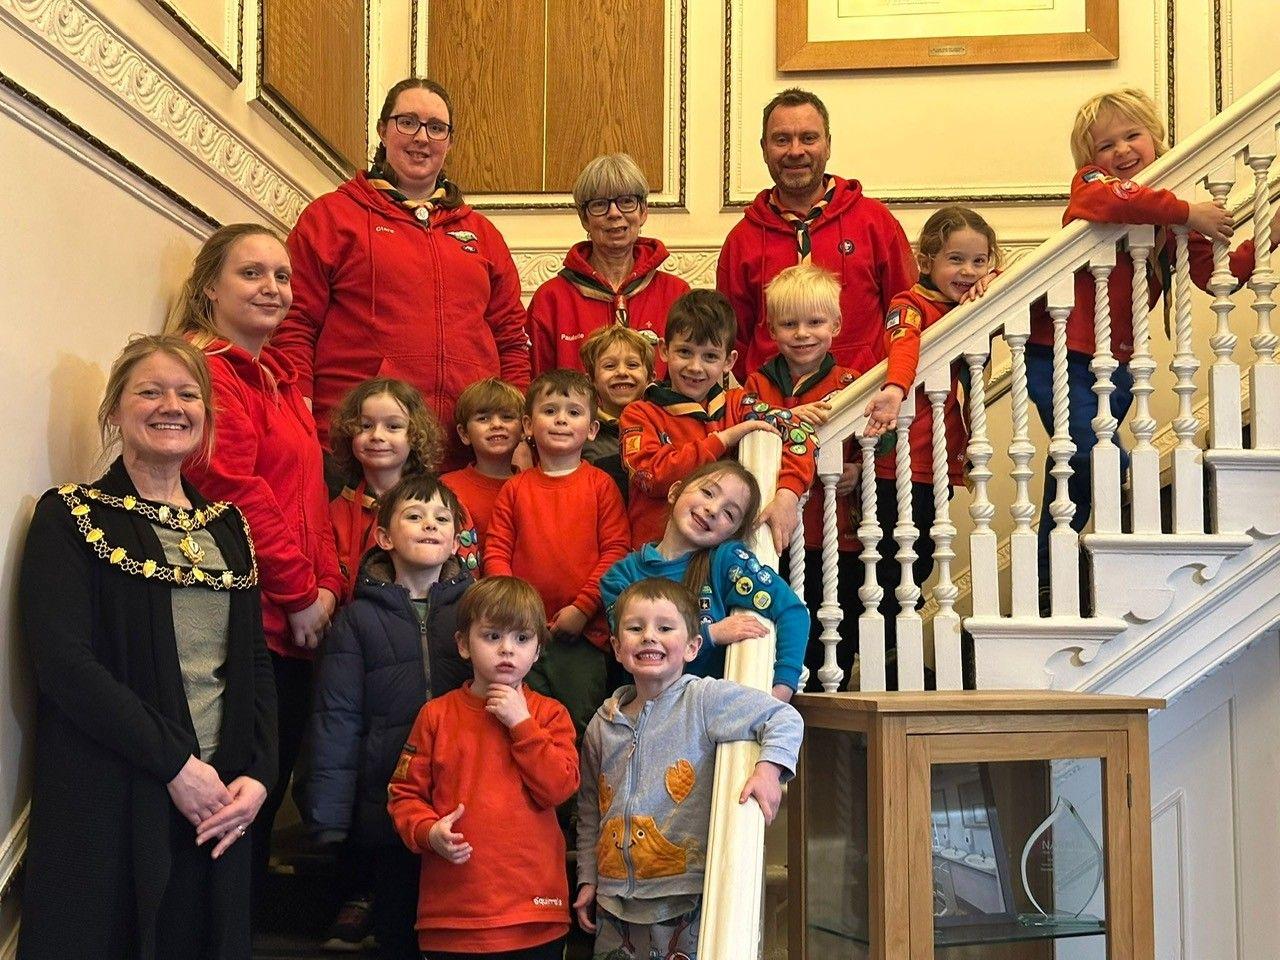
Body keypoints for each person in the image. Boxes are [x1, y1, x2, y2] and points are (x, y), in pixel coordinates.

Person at [19, 335, 276, 959]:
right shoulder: (70, 517)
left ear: (206, 414)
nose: (172, 406)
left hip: (219, 803)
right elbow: (64, 666)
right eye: (150, 391)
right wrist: (175, 766)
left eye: (188, 394)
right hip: (114, 796)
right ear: (114, 409)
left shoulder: (228, 526)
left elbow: (253, 661)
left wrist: (260, 776)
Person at [1026, 88, 1267, 608]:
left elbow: (1217, 275)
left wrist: (1265, 235)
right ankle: (1051, 571)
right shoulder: (1094, 184)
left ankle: (1057, 567)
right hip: (1058, 351)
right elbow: (1108, 201)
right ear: (1091, 159)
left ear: (1156, 138)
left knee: (1081, 464)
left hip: (1115, 363)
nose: (1121, 150)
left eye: (1132, 135)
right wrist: (1189, 211)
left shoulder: (1172, 215)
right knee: (1090, 454)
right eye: (1105, 144)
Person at [164, 223, 344, 896]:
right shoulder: (203, 372)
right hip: (243, 627)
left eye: (282, 276)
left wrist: (328, 586)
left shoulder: (279, 381)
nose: (273, 288)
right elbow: (233, 491)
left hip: (293, 624)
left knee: (258, 819)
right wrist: (299, 593)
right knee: (228, 825)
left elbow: (311, 497)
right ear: (209, 287)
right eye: (252, 273)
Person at [273, 77, 531, 468]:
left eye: (436, 128)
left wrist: (519, 432)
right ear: (382, 130)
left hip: (467, 457)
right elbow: (295, 322)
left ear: (449, 141)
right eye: (407, 122)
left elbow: (511, 340)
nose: (421, 138)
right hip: (360, 451)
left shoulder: (483, 234)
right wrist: (298, 413)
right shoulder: (331, 217)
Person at [573, 578, 802, 959]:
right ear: (617, 648)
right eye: (635, 628)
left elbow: (783, 717)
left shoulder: (703, 700)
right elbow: (588, 809)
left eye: (665, 628)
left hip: (682, 898)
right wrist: (588, 877)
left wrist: (768, 770)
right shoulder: (603, 722)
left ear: (693, 646)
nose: (649, 636)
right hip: (614, 902)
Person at [302, 476, 473, 959]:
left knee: (457, 930)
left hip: (462, 798)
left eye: (441, 518)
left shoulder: (476, 610)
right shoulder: (357, 619)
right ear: (384, 537)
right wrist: (330, 814)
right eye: (414, 516)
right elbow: (337, 717)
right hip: (388, 799)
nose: (429, 525)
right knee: (398, 926)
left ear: (456, 540)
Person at [387, 577, 579, 959]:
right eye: (492, 636)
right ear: (463, 644)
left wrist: (522, 724)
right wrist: (428, 832)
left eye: (522, 638)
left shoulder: (550, 714)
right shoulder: (436, 715)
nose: (507, 649)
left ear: (538, 650)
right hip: (452, 918)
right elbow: (404, 795)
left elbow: (559, 788)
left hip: (534, 916)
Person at [717, 87, 917, 381]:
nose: (795, 151)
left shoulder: (875, 221)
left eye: (808, 138)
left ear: (828, 145)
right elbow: (735, 338)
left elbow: (908, 309)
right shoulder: (741, 240)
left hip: (864, 396)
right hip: (777, 403)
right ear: (764, 149)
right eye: (782, 140)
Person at [483, 370, 631, 735]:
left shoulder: (601, 485)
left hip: (581, 637)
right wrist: (514, 610)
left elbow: (616, 551)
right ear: (528, 425)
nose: (561, 419)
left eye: (573, 412)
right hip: (519, 633)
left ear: (592, 429)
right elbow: (497, 550)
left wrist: (582, 608)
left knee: (579, 728)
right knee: (519, 722)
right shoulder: (515, 489)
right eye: (550, 411)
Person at [619, 289, 817, 551]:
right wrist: (723, 440)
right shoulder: (639, 414)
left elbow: (801, 432)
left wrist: (788, 494)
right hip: (658, 558)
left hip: (722, 556)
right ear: (664, 350)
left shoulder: (738, 404)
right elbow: (650, 476)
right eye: (685, 352)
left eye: (710, 356)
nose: (695, 367)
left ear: (729, 361)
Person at [741, 264, 860, 686]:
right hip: (775, 531)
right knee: (781, 624)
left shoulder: (850, 384)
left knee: (836, 624)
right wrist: (788, 417)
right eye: (790, 324)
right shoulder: (756, 385)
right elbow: (743, 424)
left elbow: (877, 440)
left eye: (815, 322)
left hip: (832, 533)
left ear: (836, 325)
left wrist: (857, 468)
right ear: (772, 329)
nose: (803, 334)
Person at [599, 461, 807, 701]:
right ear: (675, 492)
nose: (713, 509)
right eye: (708, 492)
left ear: (732, 533)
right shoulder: (619, 577)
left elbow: (792, 611)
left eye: (729, 514)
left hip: (707, 711)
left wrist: (783, 687)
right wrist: (711, 634)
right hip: (645, 708)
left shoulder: (725, 562)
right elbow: (632, 648)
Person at [527, 153, 689, 377]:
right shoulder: (551, 299)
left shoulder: (676, 294)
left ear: (643, 211)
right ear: (584, 218)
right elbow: (537, 388)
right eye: (600, 204)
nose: (614, 213)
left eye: (627, 201)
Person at [328, 377, 479, 599]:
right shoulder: (334, 512)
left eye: (393, 426)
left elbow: (467, 584)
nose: (377, 436)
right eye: (365, 426)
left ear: (416, 435)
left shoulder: (444, 507)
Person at [440, 377, 526, 554]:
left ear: (524, 428)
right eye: (483, 418)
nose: (496, 424)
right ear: (464, 434)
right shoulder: (446, 488)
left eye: (507, 417)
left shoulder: (533, 487)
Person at [579, 324, 657, 499]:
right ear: (591, 380)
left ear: (650, 377)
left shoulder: (664, 426)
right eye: (609, 366)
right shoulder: (582, 437)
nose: (622, 372)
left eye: (632, 365)